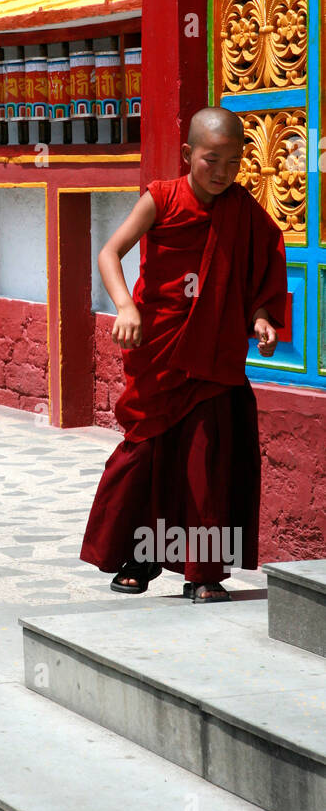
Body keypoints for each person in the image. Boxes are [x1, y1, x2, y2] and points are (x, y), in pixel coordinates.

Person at [80, 106, 287, 602]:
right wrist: (125, 306)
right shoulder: (161, 197)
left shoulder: (241, 210)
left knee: (204, 464)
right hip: (160, 350)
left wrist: (260, 315)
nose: (222, 172)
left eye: (234, 163)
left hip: (214, 357)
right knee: (146, 456)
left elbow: (261, 265)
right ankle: (139, 555)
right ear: (187, 154)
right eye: (211, 160)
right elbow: (110, 252)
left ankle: (204, 571)